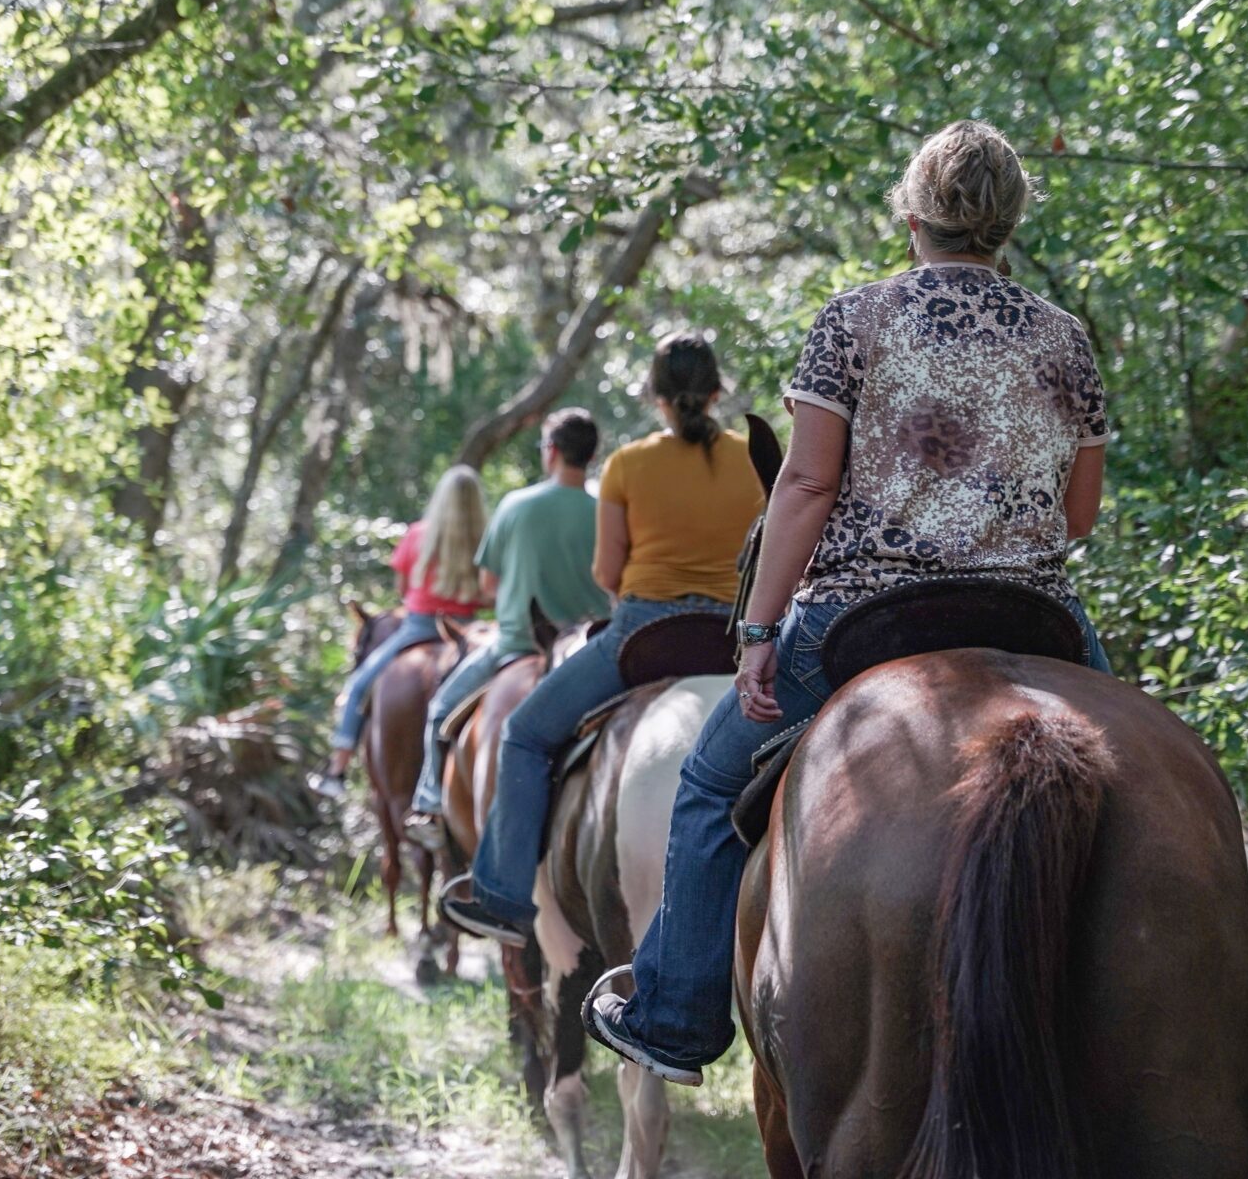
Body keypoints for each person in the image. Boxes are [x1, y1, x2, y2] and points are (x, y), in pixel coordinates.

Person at [578, 120, 1116, 1085]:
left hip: (869, 613)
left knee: (706, 789)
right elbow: (1079, 518)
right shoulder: (1064, 338)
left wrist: (755, 633)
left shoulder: (853, 320)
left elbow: (807, 488)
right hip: (1035, 613)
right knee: (1138, 773)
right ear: (1011, 222)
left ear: (911, 216)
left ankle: (675, 1016)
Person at [440, 334, 769, 945]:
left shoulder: (626, 465)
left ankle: (503, 896)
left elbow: (606, 575)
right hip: (731, 638)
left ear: (655, 399)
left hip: (645, 635)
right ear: (719, 392)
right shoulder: (754, 457)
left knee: (527, 734)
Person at [403, 410, 611, 849]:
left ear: (551, 452)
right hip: (588, 651)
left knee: (442, 708)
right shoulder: (605, 511)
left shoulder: (517, 505)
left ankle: (430, 803)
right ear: (591, 456)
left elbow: (489, 584)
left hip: (517, 646)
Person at [316, 465, 489, 799]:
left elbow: (402, 587)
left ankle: (336, 770)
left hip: (418, 627)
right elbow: (490, 590)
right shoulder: (485, 539)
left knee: (359, 685)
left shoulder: (417, 535)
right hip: (466, 632)